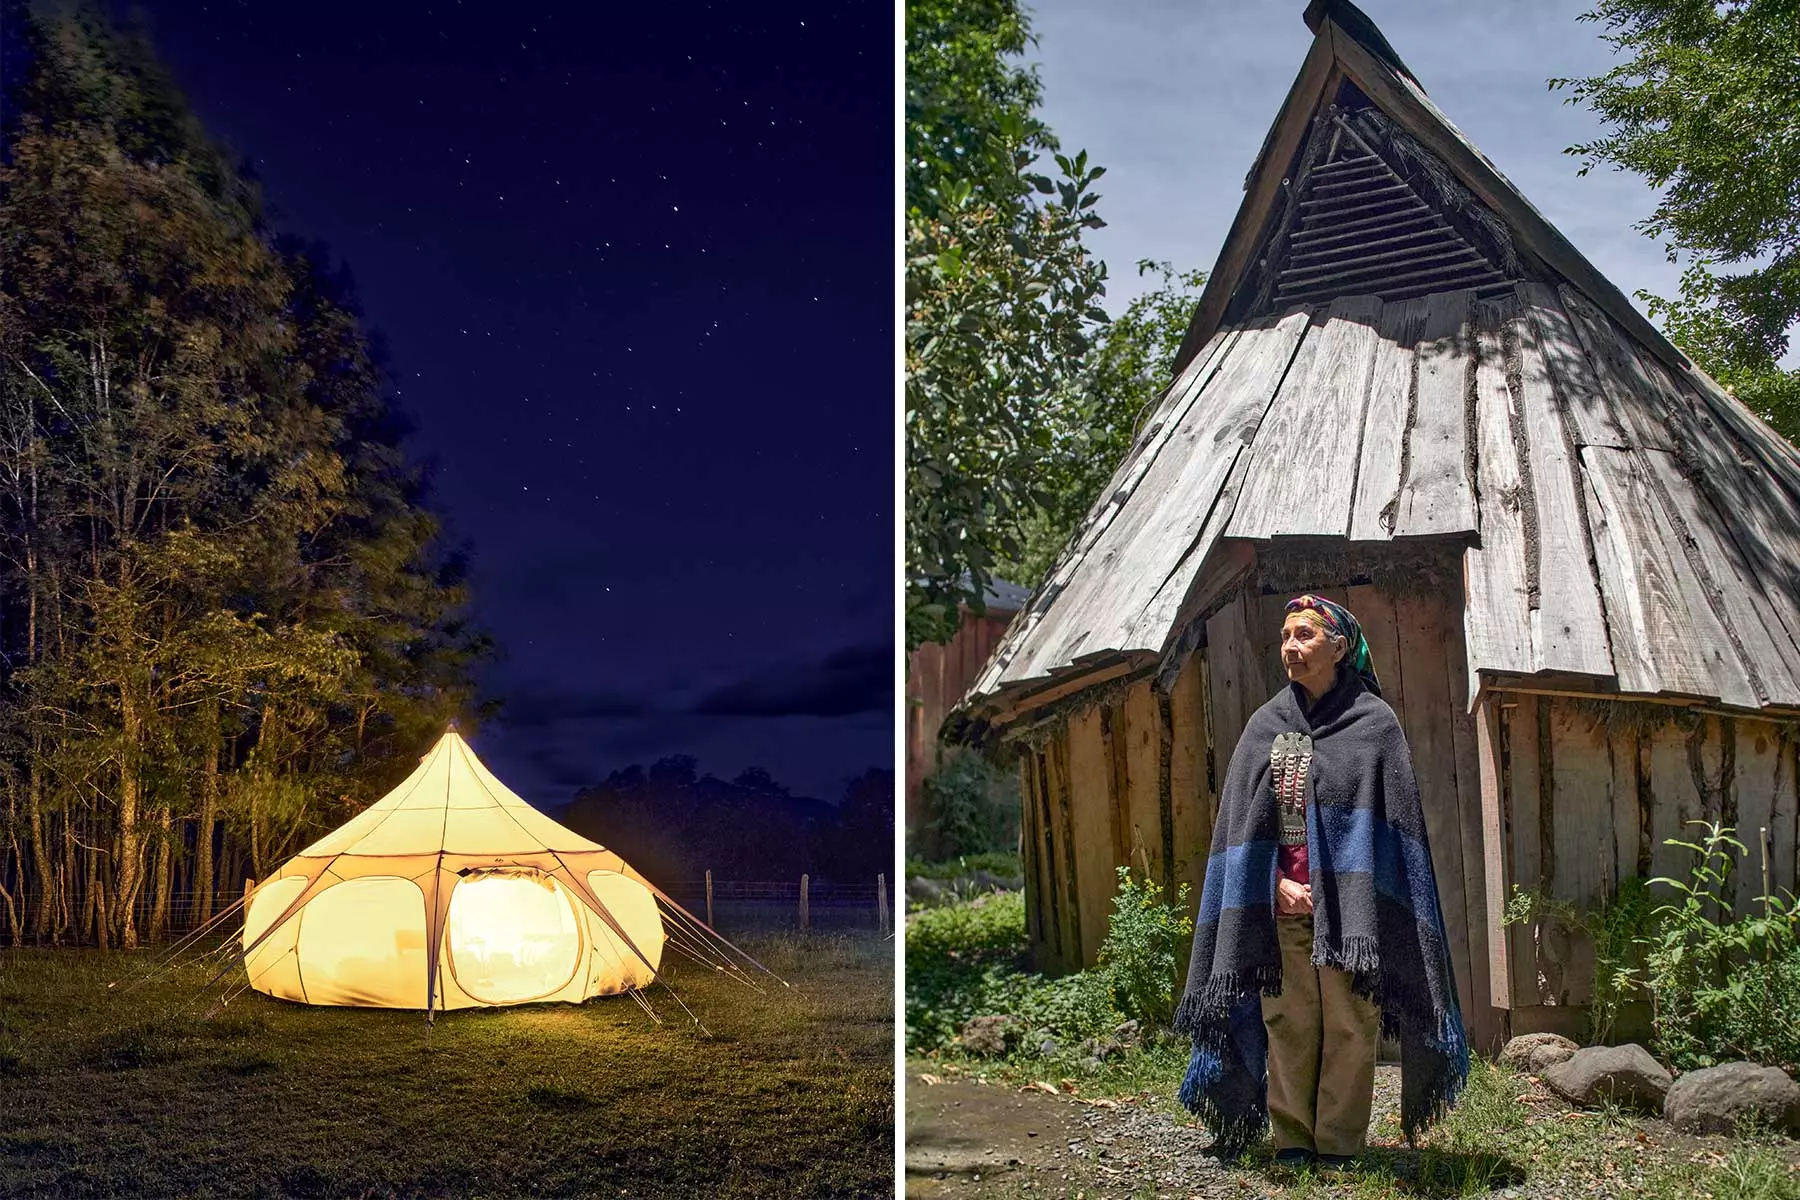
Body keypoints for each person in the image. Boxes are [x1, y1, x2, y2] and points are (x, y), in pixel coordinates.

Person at [1172, 593, 1468, 1169]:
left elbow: (1391, 829)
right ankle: (1293, 1141)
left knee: (1351, 1023)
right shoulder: (1266, 725)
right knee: (1287, 1021)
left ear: (1339, 647)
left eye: (1305, 636)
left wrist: (1345, 891)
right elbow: (1242, 829)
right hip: (1284, 907)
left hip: (1352, 913)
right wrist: (1272, 884)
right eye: (1285, 637)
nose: (1291, 647)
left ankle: (1337, 1143)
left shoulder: (1374, 726)